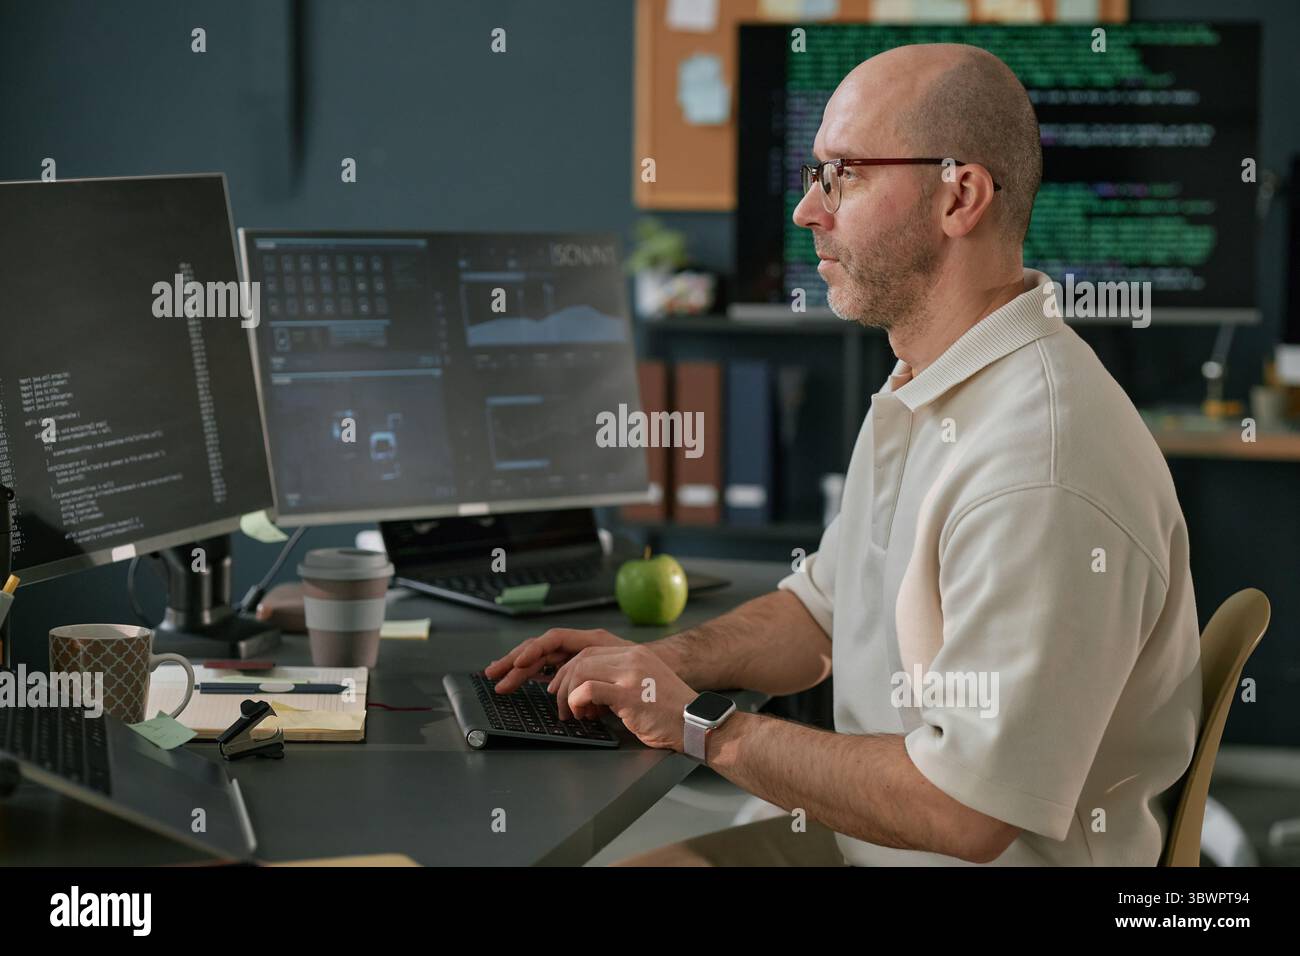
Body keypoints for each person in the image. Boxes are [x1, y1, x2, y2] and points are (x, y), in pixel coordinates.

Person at [485, 43, 1201, 866]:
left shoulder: (1038, 466)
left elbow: (964, 813)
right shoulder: (928, 382)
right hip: (873, 844)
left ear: (959, 196)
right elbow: (822, 612)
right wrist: (656, 663)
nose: (806, 211)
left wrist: (696, 725)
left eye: (843, 174)